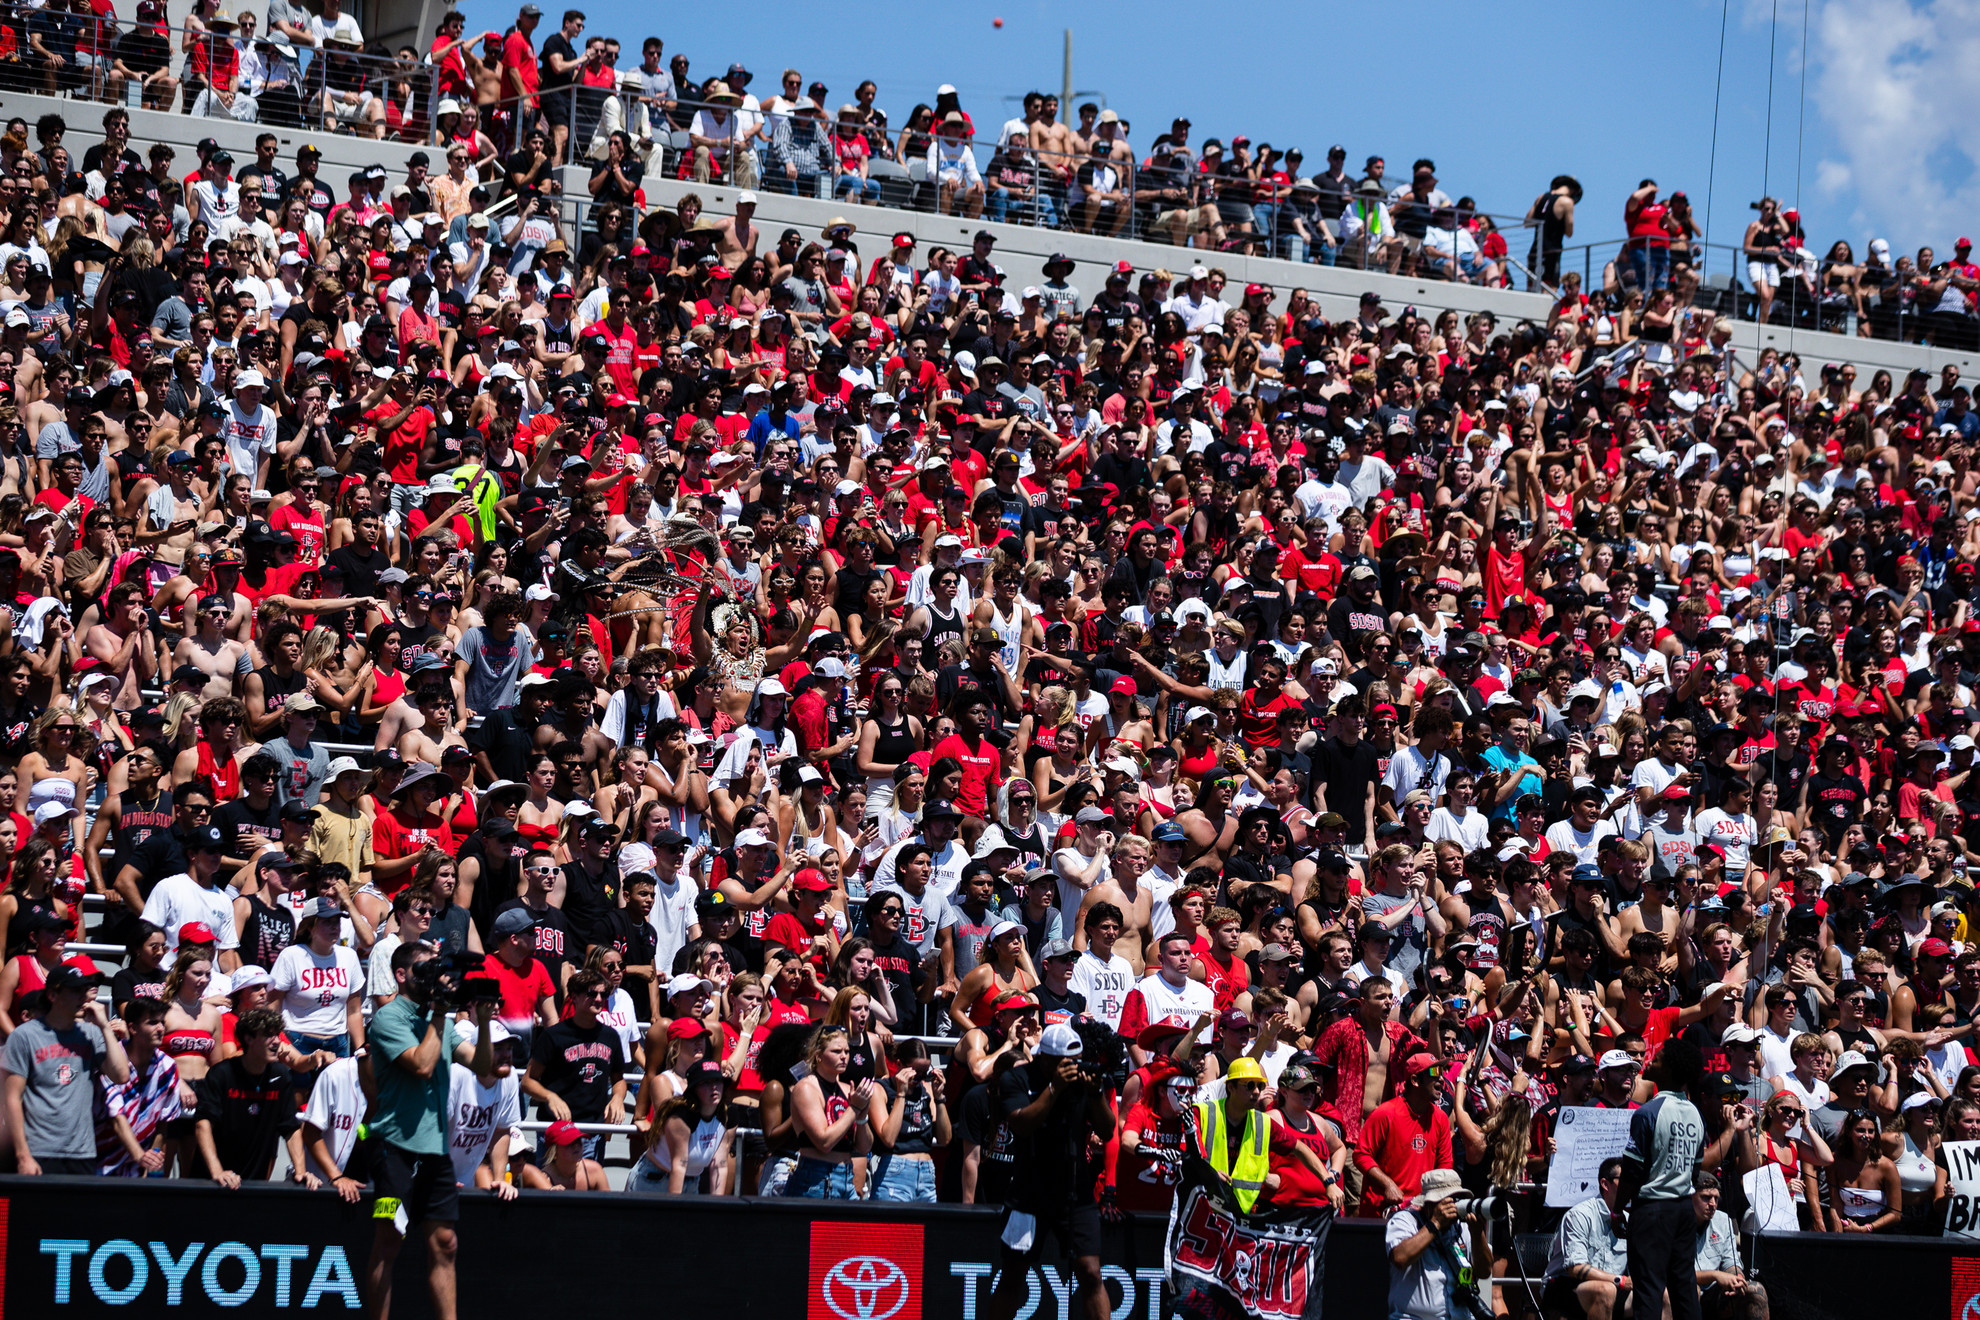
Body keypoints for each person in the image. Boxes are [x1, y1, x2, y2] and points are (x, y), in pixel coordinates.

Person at [364, 944, 499, 1320]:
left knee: (446, 1242)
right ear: (402, 975)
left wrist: (484, 1021)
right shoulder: (389, 1017)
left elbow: (483, 1067)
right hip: (394, 1149)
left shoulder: (440, 1020)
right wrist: (440, 1012)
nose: (436, 978)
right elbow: (422, 1065)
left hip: (435, 1150)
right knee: (389, 1239)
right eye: (425, 969)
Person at [982, 1022, 1115, 1320]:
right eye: (1065, 1062)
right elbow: (1021, 1123)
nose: (1073, 1067)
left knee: (1091, 1273)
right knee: (1013, 1275)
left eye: (1076, 1061)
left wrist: (1095, 1095)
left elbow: (1107, 1131)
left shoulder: (1083, 1080)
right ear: (1046, 1059)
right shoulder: (1017, 1078)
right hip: (1030, 1189)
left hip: (1075, 1189)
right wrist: (1055, 1088)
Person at [3, 961, 130, 1174]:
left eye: (83, 990)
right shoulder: (24, 1035)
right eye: (74, 991)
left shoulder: (91, 1034)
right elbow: (11, 1098)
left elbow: (121, 1075)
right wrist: (22, 1155)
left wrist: (105, 1027)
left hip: (82, 1152)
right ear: (53, 995)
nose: (83, 996)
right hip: (38, 1151)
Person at [1617, 1038, 1709, 1320]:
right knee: (1684, 1287)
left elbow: (1633, 1171)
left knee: (1648, 1289)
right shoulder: (1695, 1114)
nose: (1651, 1062)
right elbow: (1694, 1171)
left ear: (1669, 1068)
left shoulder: (1648, 1113)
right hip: (1683, 1210)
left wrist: (1616, 1207)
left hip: (1652, 1210)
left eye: (1657, 1059)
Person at [1386, 1167, 1487, 1320]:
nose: (1452, 1205)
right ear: (1429, 1203)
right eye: (1446, 1199)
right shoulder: (1405, 1220)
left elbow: (1484, 1272)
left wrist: (1478, 1234)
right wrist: (1434, 1224)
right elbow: (1400, 1258)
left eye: (1456, 1198)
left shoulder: (1463, 1226)